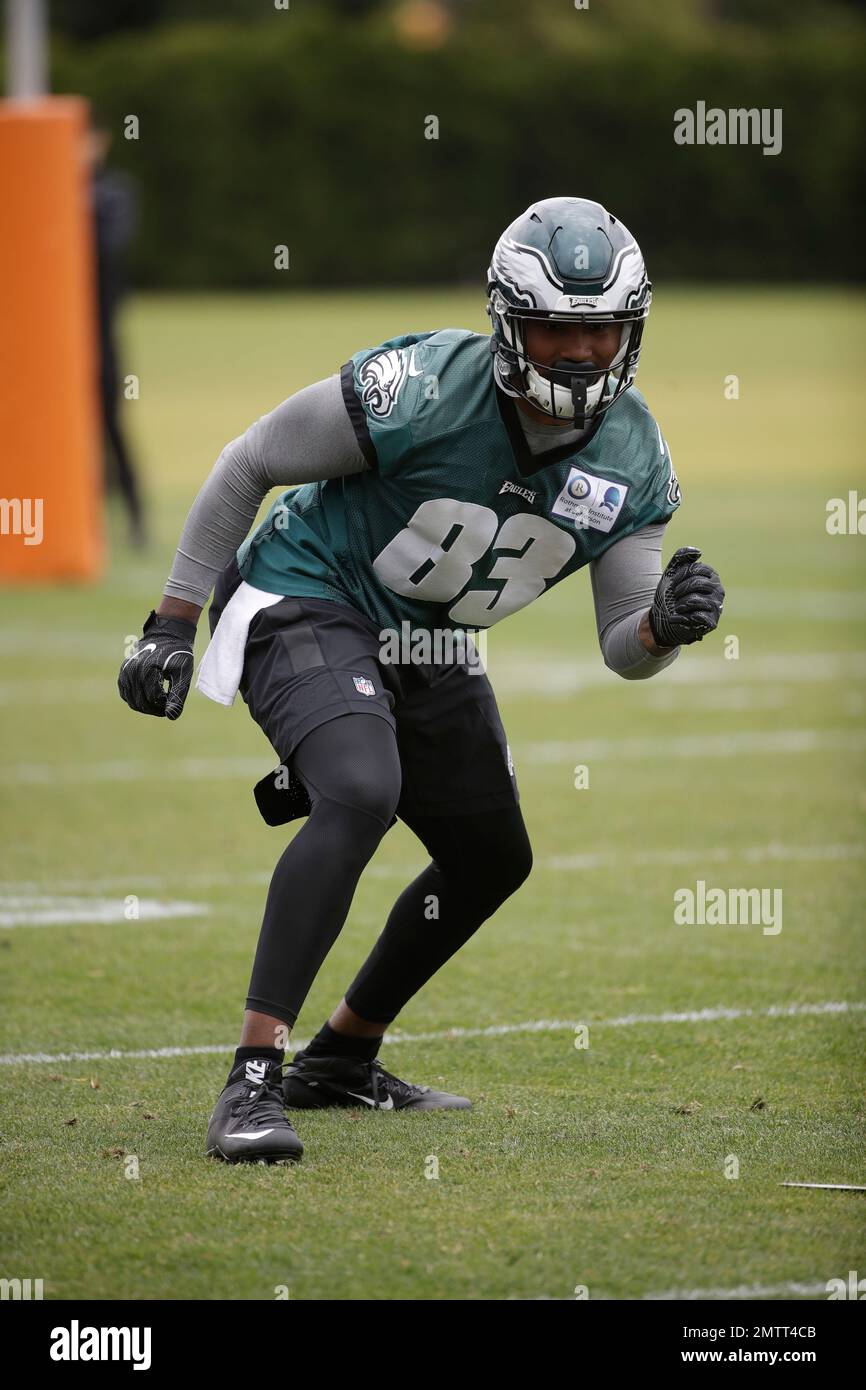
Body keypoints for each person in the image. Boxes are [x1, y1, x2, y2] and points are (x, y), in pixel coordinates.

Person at [117, 196, 724, 1164]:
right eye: (555, 329)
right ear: (507, 321)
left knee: (492, 855)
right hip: (307, 591)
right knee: (361, 787)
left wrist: (663, 624)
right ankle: (252, 1077)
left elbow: (622, 640)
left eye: (597, 329)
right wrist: (172, 622)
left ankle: (342, 1056)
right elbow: (252, 460)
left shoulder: (634, 455)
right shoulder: (422, 388)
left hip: (428, 639)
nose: (575, 353)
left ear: (631, 329)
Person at [85, 118, 146, 547]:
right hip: (55, 340)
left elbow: (111, 244)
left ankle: (135, 517)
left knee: (111, 423)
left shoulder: (113, 192)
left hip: (100, 332)